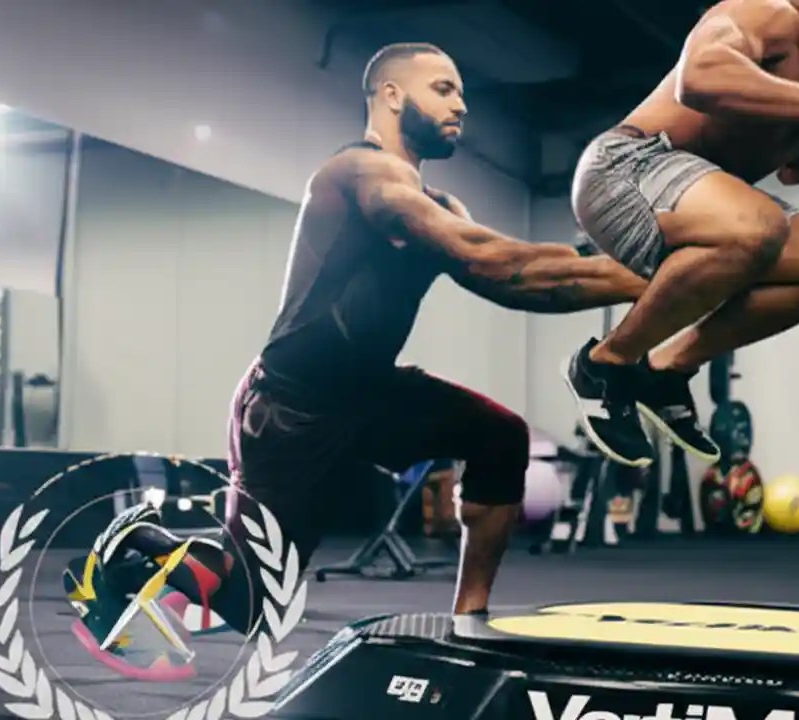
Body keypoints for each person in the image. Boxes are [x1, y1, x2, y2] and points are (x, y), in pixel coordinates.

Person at [71, 41, 650, 650]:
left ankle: (470, 619)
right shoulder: (358, 172)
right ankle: (138, 543)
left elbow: (528, 276)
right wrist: (657, 274)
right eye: (445, 89)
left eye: (461, 92)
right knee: (252, 606)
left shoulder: (444, 205)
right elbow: (497, 262)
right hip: (290, 408)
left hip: (372, 391)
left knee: (499, 437)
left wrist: (667, 277)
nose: (462, 106)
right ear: (393, 96)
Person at [563, 0, 799, 468]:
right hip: (626, 169)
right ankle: (604, 365)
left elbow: (797, 170)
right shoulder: (768, 13)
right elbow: (698, 80)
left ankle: (665, 370)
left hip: (707, 202)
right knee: (756, 226)